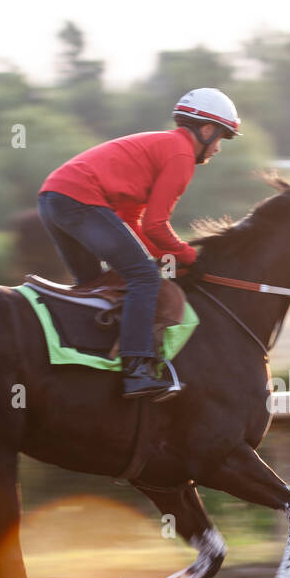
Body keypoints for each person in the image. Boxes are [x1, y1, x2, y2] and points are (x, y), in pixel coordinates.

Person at [37, 88, 240, 399]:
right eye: (221, 139)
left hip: (54, 199)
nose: (218, 149)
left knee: (94, 284)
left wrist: (175, 257)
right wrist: (189, 257)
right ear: (207, 129)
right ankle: (137, 371)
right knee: (144, 278)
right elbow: (156, 226)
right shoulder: (181, 155)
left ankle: (88, 366)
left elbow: (135, 226)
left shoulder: (165, 147)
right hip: (78, 199)